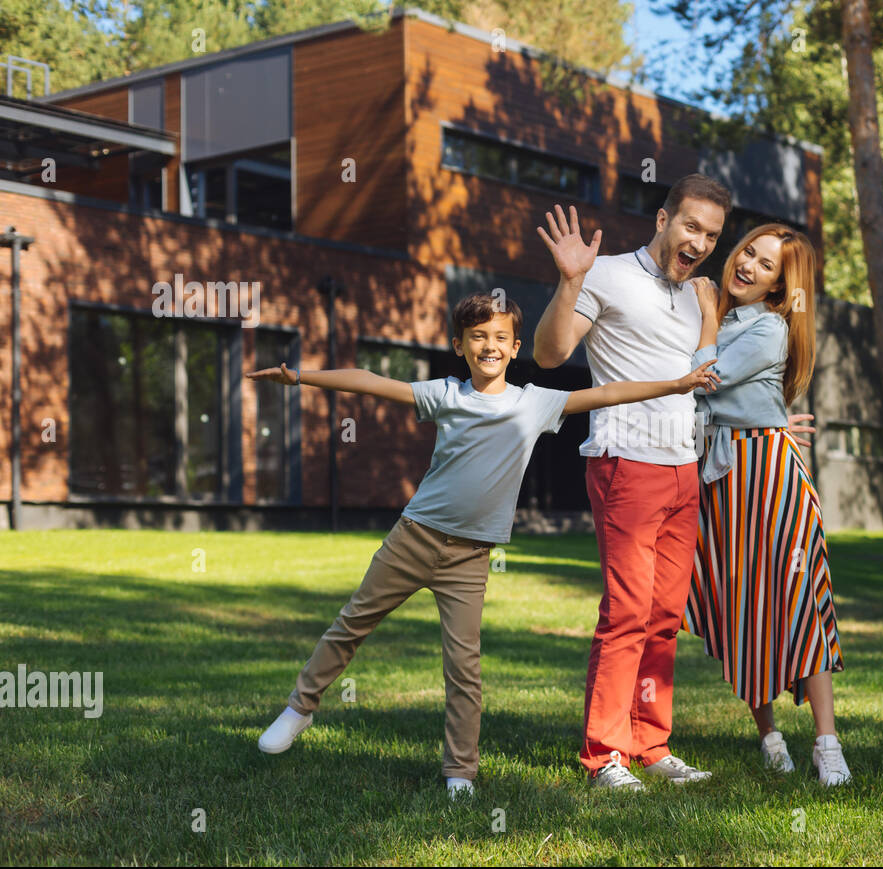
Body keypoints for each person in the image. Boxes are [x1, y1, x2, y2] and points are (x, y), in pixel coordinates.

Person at [252, 292, 718, 798]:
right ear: (459, 345)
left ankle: (460, 772)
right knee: (351, 624)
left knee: (464, 668)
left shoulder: (533, 401)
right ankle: (300, 709)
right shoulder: (446, 394)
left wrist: (677, 384)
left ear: (515, 347)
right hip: (413, 538)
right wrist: (299, 377)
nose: (489, 345)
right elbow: (372, 383)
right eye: (477, 336)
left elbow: (607, 395)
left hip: (470, 558)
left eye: (499, 337)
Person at [533, 175, 814, 789]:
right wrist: (570, 280)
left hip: (685, 467)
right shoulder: (604, 274)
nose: (700, 242)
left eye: (712, 235)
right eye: (691, 226)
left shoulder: (701, 295)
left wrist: (769, 418)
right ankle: (605, 752)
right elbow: (551, 355)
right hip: (625, 460)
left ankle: (650, 744)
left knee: (664, 616)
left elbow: (710, 380)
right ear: (663, 219)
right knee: (627, 611)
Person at [684, 224, 849, 786]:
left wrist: (707, 316)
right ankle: (769, 736)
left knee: (797, 599)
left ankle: (827, 743)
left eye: (767, 266)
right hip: (721, 478)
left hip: (771, 476)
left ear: (781, 289)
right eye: (749, 251)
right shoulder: (707, 307)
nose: (749, 265)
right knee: (740, 604)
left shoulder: (770, 328)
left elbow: (705, 379)